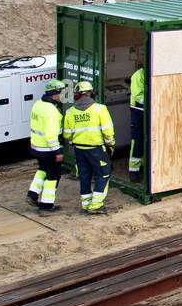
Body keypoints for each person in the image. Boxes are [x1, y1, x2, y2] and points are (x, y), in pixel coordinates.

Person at [63, 80, 115, 213]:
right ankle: (96, 205)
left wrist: (73, 141)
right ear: (91, 93)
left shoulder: (70, 112)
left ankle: (86, 204)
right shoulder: (100, 108)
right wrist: (110, 144)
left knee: (84, 176)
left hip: (79, 150)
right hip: (97, 149)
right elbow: (108, 131)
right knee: (103, 174)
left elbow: (67, 135)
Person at [26, 78, 67, 212]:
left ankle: (32, 195)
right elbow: (50, 135)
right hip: (48, 149)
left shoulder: (38, 104)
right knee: (53, 176)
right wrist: (58, 152)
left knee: (42, 169)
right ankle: (46, 205)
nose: (63, 95)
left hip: (36, 146)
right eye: (62, 92)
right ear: (54, 94)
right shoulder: (52, 112)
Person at [128, 50, 145, 183]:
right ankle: (134, 172)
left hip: (149, 110)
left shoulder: (150, 74)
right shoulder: (138, 75)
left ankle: (144, 166)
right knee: (138, 141)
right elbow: (139, 96)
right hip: (138, 111)